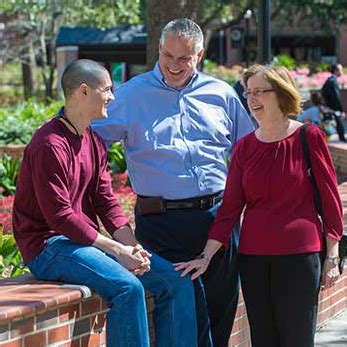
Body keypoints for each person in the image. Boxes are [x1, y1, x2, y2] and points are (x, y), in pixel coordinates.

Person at [12, 59, 197, 347]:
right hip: (48, 246)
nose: (113, 96)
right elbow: (60, 217)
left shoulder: (93, 142)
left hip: (80, 244)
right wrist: (117, 250)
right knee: (127, 288)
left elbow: (106, 202)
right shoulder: (49, 145)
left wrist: (132, 248)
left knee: (175, 282)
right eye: (107, 89)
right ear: (83, 91)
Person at [92, 18, 254, 347]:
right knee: (182, 315)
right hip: (161, 222)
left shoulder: (221, 94)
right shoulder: (130, 95)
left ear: (200, 55)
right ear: (159, 49)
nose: (174, 65)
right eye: (168, 55)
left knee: (221, 310)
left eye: (184, 57)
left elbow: (249, 151)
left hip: (217, 219)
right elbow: (88, 142)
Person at [175, 64, 343, 347]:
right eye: (248, 92)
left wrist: (333, 256)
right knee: (263, 339)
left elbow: (330, 200)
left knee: (297, 339)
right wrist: (206, 255)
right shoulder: (244, 147)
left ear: (280, 93)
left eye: (259, 92)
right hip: (253, 258)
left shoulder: (308, 137)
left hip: (299, 258)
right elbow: (229, 209)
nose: (251, 99)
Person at [321, 63, 346, 142]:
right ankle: (342, 139)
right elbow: (336, 97)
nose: (342, 71)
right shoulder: (332, 81)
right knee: (338, 123)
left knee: (331, 124)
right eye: (340, 70)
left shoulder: (329, 80)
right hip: (333, 107)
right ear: (335, 71)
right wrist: (341, 110)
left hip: (328, 107)